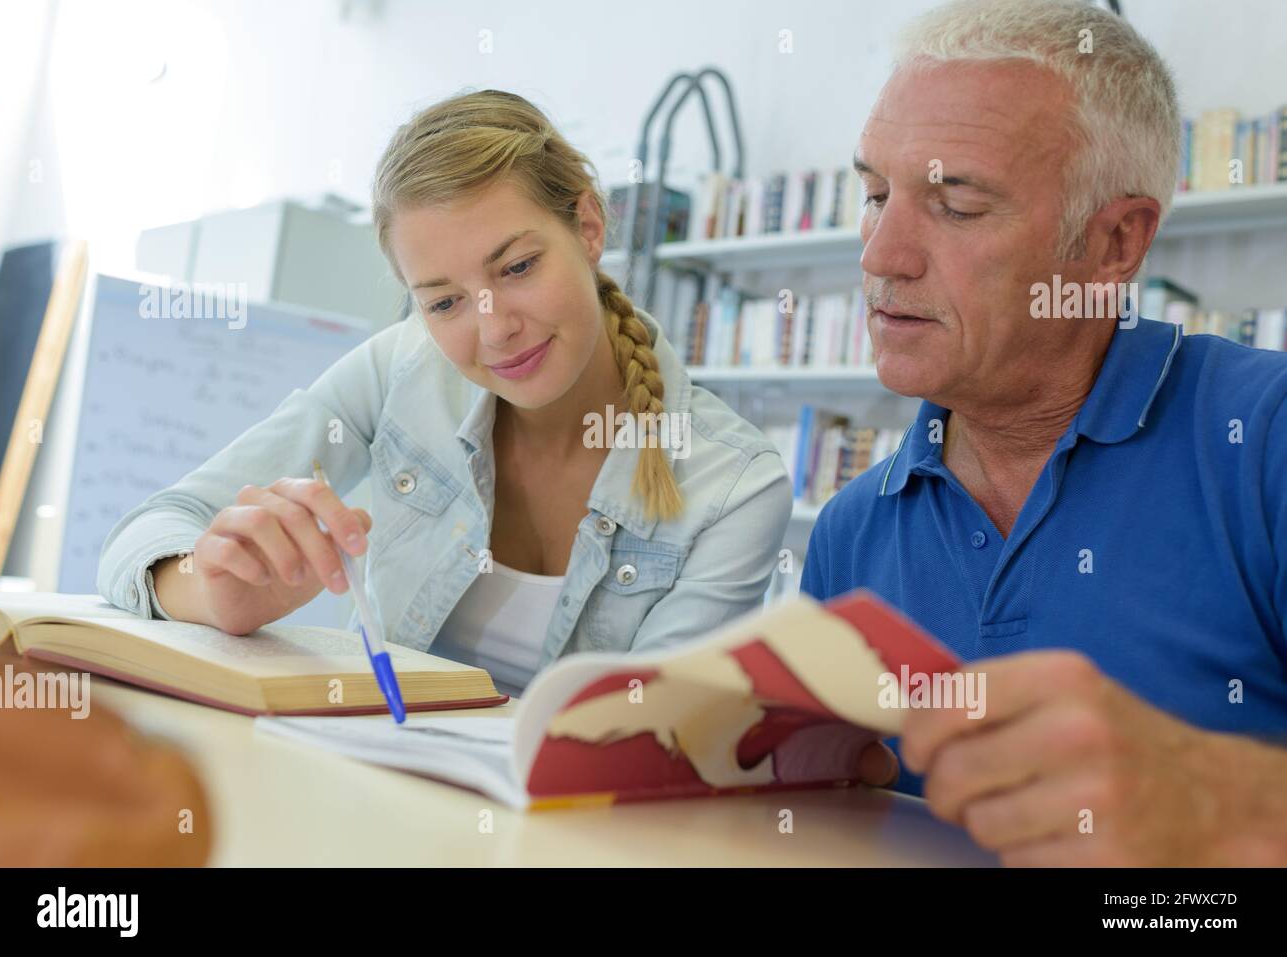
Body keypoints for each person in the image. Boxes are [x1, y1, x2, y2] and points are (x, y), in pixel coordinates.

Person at [98, 89, 792, 699]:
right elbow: (150, 527)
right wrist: (209, 588)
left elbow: (646, 741)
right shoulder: (400, 368)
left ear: (587, 226)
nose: (494, 330)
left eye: (517, 266)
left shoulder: (734, 485)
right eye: (444, 302)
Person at [803, 0, 1287, 864]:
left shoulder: (1266, 443)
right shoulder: (852, 527)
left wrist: (1218, 800)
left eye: (954, 204)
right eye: (875, 193)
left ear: (1113, 243)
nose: (880, 254)